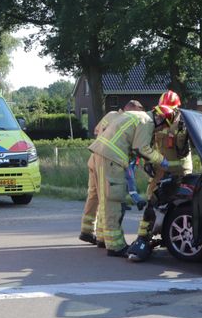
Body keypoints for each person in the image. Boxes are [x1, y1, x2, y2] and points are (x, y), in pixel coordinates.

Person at [85, 105, 171, 257]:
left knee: (105, 200)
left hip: (102, 155)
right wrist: (162, 160)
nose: (160, 130)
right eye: (163, 126)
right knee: (113, 201)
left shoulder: (137, 116)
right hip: (112, 159)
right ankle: (116, 246)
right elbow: (141, 148)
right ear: (160, 119)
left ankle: (104, 238)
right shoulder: (148, 122)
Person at [127, 92, 192, 262]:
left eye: (168, 111)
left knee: (177, 206)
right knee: (151, 204)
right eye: (162, 111)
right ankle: (142, 239)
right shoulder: (157, 121)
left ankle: (177, 237)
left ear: (177, 108)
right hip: (159, 171)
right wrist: (147, 162)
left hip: (179, 171)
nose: (164, 114)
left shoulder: (185, 124)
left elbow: (186, 150)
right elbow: (146, 143)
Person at [79, 101, 144, 246]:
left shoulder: (111, 115)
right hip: (106, 160)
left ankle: (87, 230)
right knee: (106, 198)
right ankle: (103, 237)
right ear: (132, 109)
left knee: (94, 195)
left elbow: (96, 131)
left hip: (95, 158)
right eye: (138, 111)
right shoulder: (121, 119)